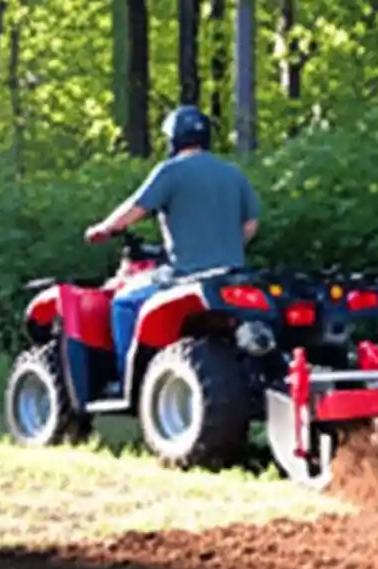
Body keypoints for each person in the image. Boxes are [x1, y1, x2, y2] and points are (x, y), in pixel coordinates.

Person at [83, 105, 261, 394]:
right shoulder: (233, 174)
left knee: (124, 303)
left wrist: (104, 228)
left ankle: (127, 381)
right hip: (234, 277)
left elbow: (136, 208)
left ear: (173, 140)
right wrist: (226, 245)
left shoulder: (171, 171)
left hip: (185, 275)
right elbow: (251, 225)